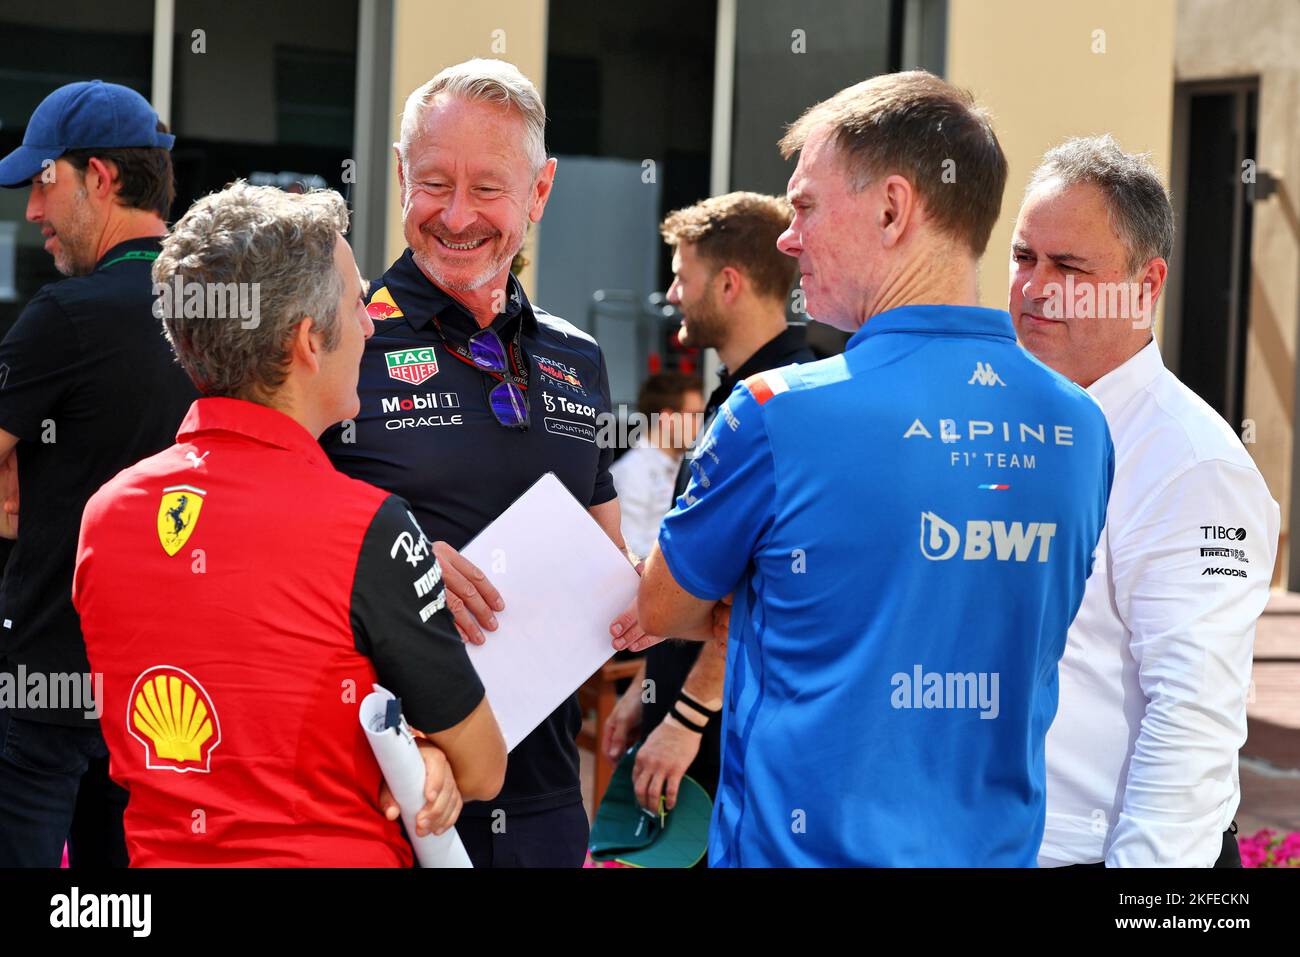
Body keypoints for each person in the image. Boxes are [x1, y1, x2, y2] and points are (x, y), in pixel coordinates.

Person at [620, 71, 1115, 867]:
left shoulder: (775, 411)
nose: (788, 236)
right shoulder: (1081, 426)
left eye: (806, 205)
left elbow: (661, 605)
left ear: (892, 208)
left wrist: (741, 595)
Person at [72, 181, 506, 866]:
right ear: (308, 340)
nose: (370, 326)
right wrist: (420, 745)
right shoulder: (368, 526)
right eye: (357, 303)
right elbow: (483, 768)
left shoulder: (106, 514)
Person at [322, 58, 653, 868]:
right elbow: (254, 530)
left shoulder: (577, 356)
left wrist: (647, 600)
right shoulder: (339, 337)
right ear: (401, 179)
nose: (457, 215)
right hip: (377, 793)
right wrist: (393, 561)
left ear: (539, 193)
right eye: (434, 182)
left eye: (488, 188)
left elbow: (606, 562)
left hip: (541, 796)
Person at [1010, 136, 1280, 868]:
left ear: (1145, 284)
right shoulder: (1002, 428)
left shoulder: (1192, 464)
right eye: (1023, 257)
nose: (1035, 286)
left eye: (1068, 266)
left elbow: (1190, 722)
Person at [0, 80, 198, 867]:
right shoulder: (223, 312)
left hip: (45, 688)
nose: (33, 214)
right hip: (162, 698)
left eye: (44, 185)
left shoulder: (68, 316)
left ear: (100, 178)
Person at [603, 192, 811, 819]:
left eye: (681, 277)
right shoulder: (734, 398)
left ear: (728, 284)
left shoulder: (785, 407)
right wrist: (650, 687)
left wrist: (687, 715)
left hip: (730, 745)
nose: (670, 296)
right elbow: (705, 582)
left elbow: (762, 593)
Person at [609, 373, 704, 560]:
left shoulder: (686, 467)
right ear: (667, 418)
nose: (700, 425)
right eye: (694, 415)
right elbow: (628, 553)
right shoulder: (631, 472)